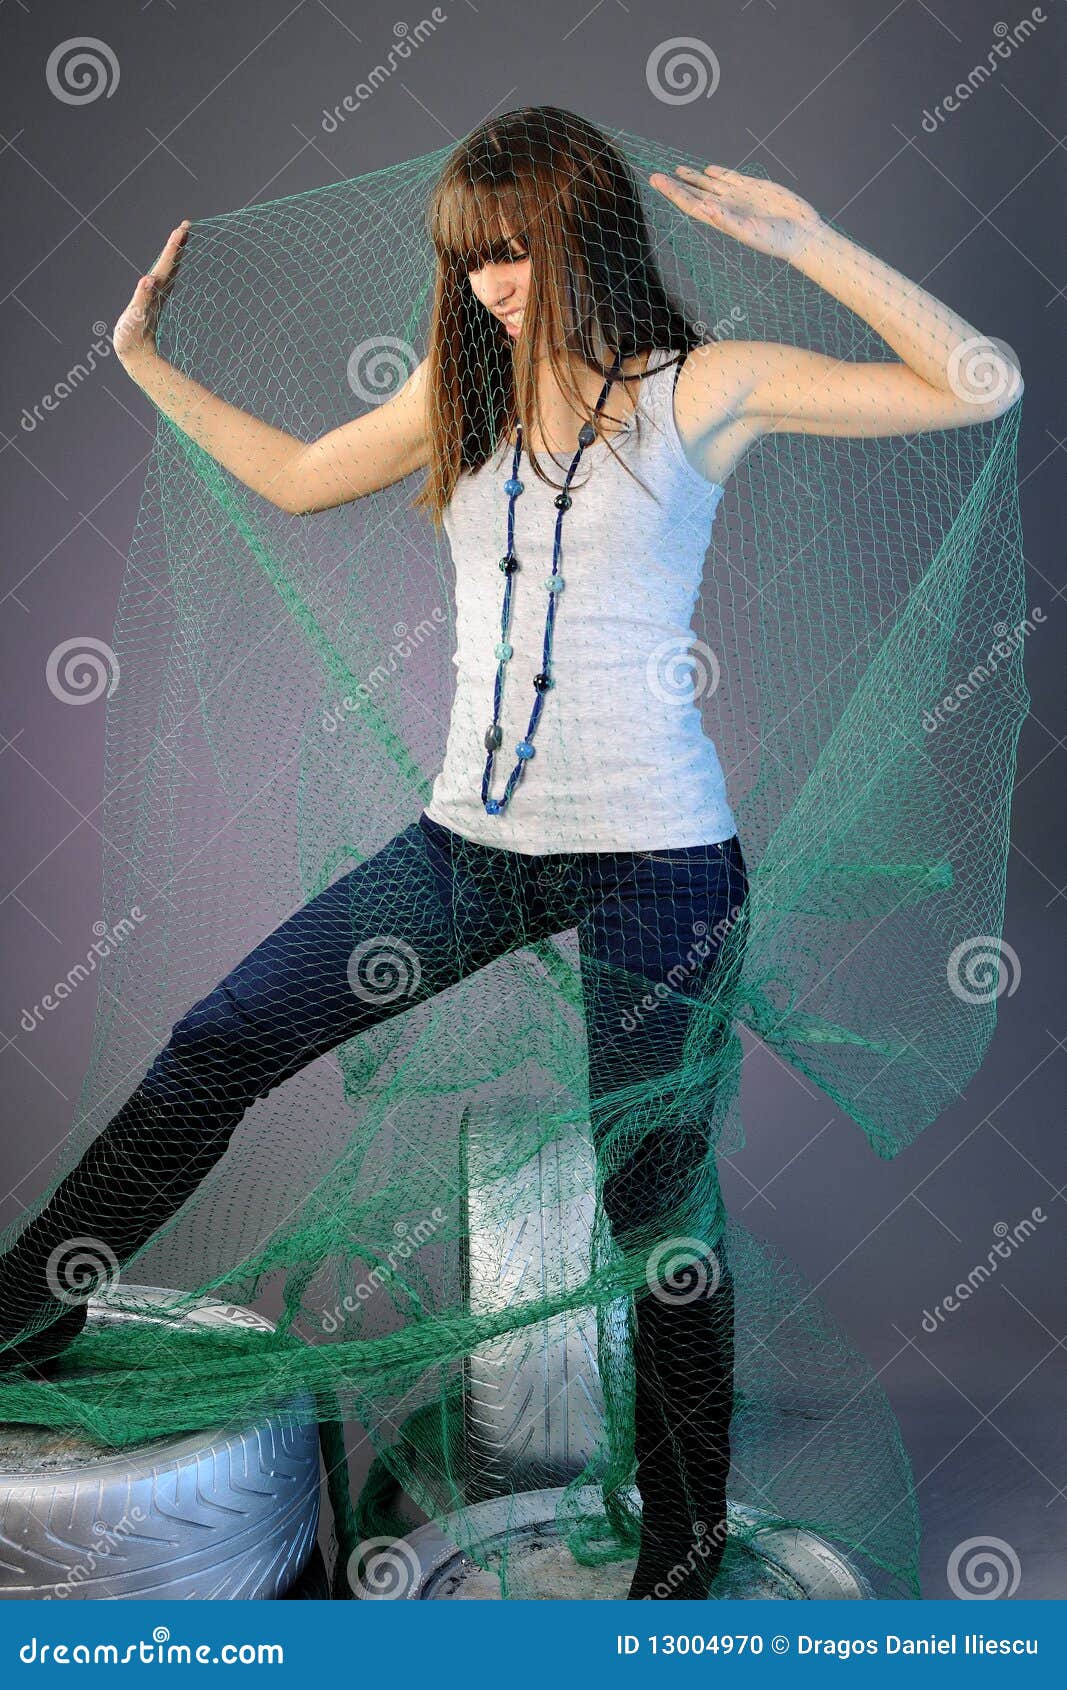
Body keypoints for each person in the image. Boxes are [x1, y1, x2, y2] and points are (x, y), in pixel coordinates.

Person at [0, 107, 1020, 1601]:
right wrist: (144, 362)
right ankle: (26, 1305)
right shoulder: (459, 400)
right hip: (470, 850)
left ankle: (681, 1537)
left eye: (520, 248)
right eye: (472, 258)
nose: (494, 283)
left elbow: (981, 384)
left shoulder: (700, 389)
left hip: (661, 865)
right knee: (220, 1040)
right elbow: (296, 474)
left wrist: (805, 241)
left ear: (587, 236)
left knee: (657, 1205)